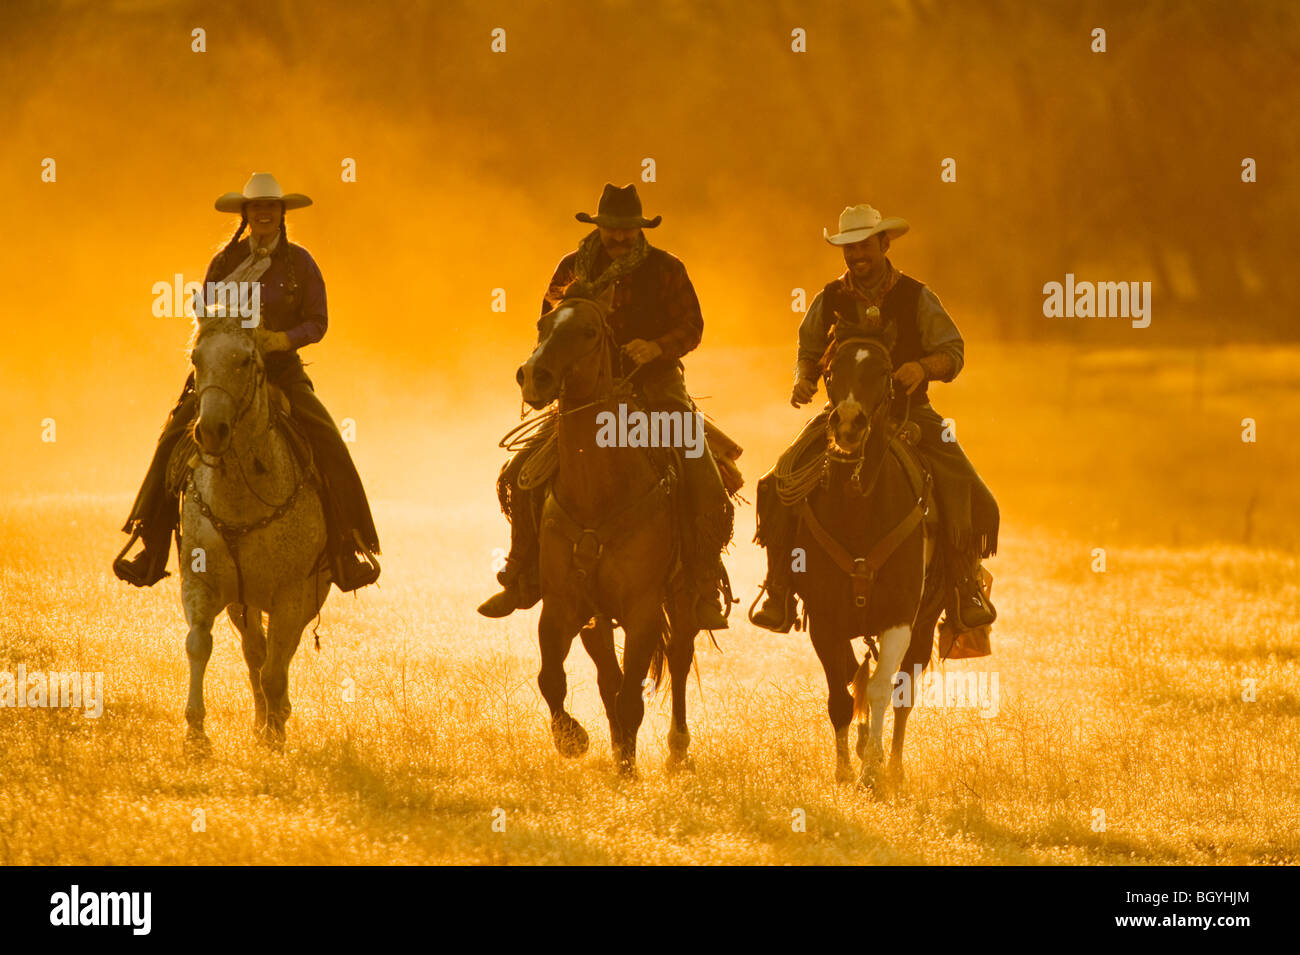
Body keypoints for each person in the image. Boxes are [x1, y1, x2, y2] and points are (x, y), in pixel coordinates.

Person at [478, 183, 733, 629]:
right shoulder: (571, 268)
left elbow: (692, 327)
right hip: (586, 398)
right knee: (521, 476)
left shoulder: (667, 269)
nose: (618, 237)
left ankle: (702, 583)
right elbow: (549, 328)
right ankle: (523, 575)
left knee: (706, 480)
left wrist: (656, 348)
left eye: (626, 229)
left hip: (656, 390)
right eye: (611, 229)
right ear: (600, 227)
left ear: (639, 228)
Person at [113, 172, 381, 592]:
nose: (264, 213)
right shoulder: (224, 262)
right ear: (246, 213)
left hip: (281, 371)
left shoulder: (302, 263)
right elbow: (206, 319)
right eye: (257, 207)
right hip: (224, 372)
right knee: (170, 440)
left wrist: (281, 339)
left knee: (329, 439)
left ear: (281, 213)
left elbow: (318, 322)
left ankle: (347, 548)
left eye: (271, 207)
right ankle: (151, 547)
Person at [750, 203, 998, 633]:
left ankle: (963, 587)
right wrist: (803, 381)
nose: (856, 256)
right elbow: (807, 354)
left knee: (967, 487)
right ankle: (779, 589)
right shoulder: (828, 298)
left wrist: (922, 368)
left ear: (884, 243)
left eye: (863, 246)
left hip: (909, 413)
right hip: (842, 415)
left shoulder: (917, 296)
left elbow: (953, 352)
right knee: (776, 483)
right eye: (849, 248)